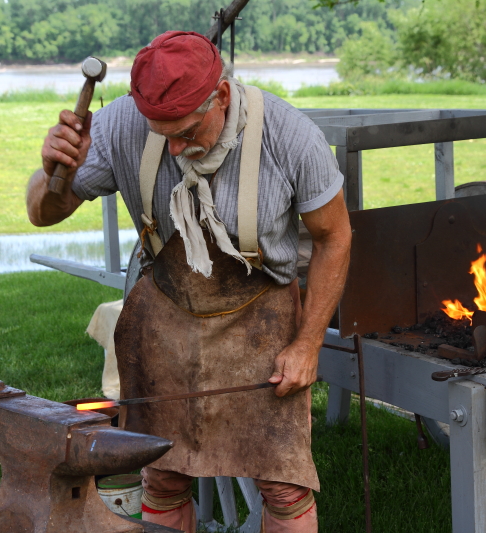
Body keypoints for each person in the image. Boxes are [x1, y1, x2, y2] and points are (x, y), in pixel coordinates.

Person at [26, 31, 351, 533]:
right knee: (162, 477)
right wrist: (54, 175)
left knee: (284, 486)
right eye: (163, 134)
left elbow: (335, 238)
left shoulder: (290, 136)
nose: (176, 148)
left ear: (221, 96)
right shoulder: (119, 125)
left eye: (187, 131)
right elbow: (42, 213)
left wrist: (307, 344)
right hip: (165, 321)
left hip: (260, 321)